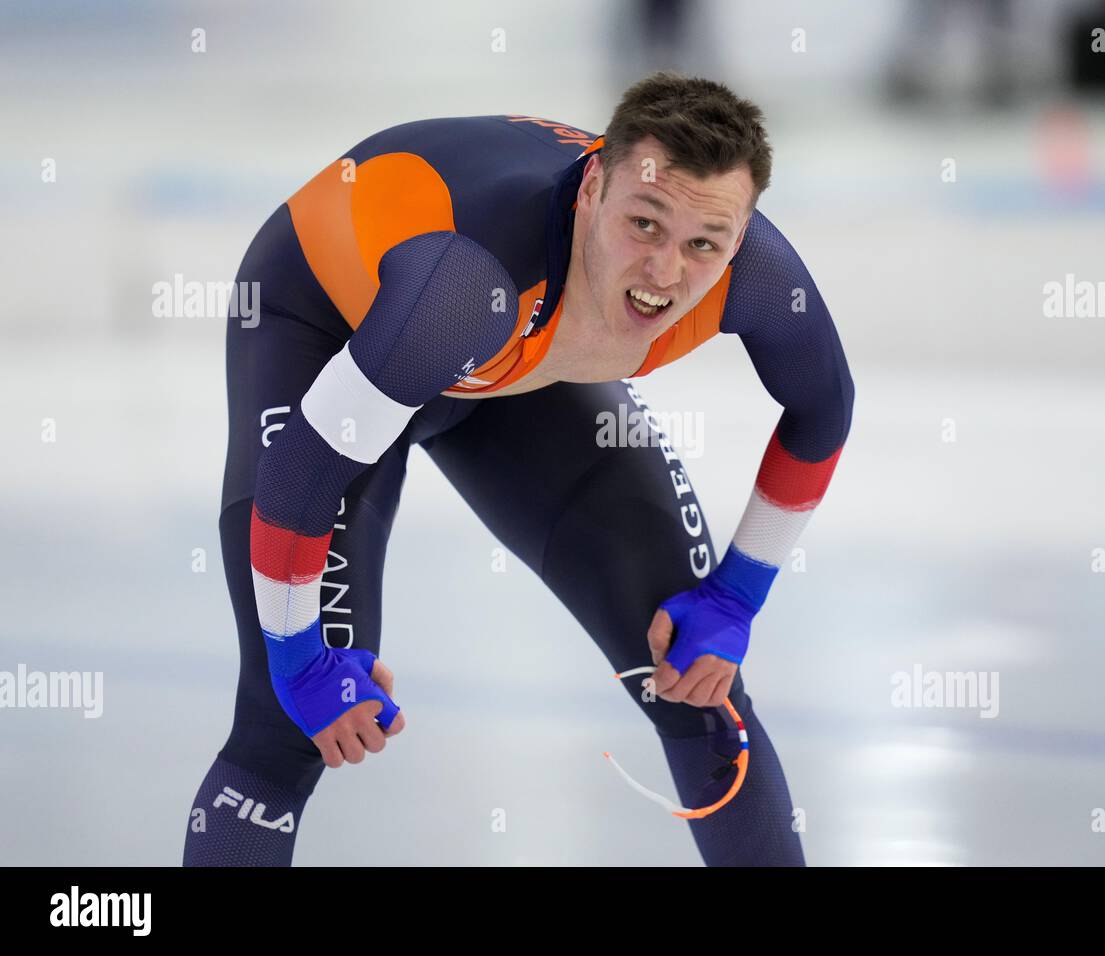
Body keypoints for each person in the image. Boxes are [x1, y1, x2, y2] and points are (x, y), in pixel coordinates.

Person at [183, 71, 854, 867]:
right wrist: (297, 660)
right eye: (644, 225)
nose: (666, 275)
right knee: (286, 720)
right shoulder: (462, 284)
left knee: (696, 681)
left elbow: (824, 409)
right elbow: (301, 468)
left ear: (741, 236)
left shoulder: (758, 277)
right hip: (333, 325)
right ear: (593, 190)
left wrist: (739, 593)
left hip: (512, 358)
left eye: (704, 245)